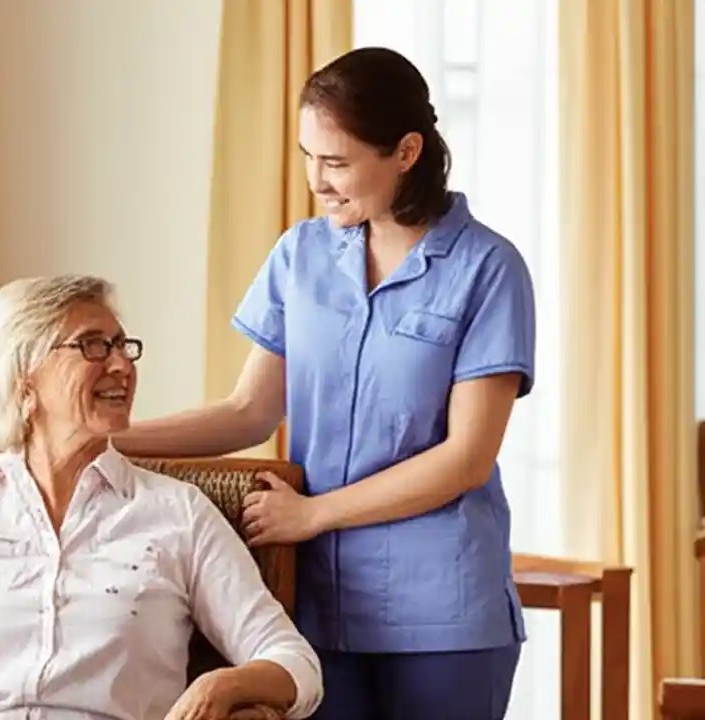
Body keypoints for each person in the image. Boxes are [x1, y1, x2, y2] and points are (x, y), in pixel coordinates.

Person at [117, 47, 534, 719]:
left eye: (336, 162)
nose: (317, 180)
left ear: (405, 151)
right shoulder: (301, 255)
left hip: (443, 617)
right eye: (308, 156)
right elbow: (249, 411)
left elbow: (466, 458)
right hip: (315, 610)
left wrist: (311, 515)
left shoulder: (488, 269)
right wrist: (111, 442)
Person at [0, 275, 324, 720]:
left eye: (123, 346)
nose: (121, 365)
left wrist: (223, 685)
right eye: (94, 346)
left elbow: (293, 663)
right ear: (25, 381)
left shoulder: (178, 514)